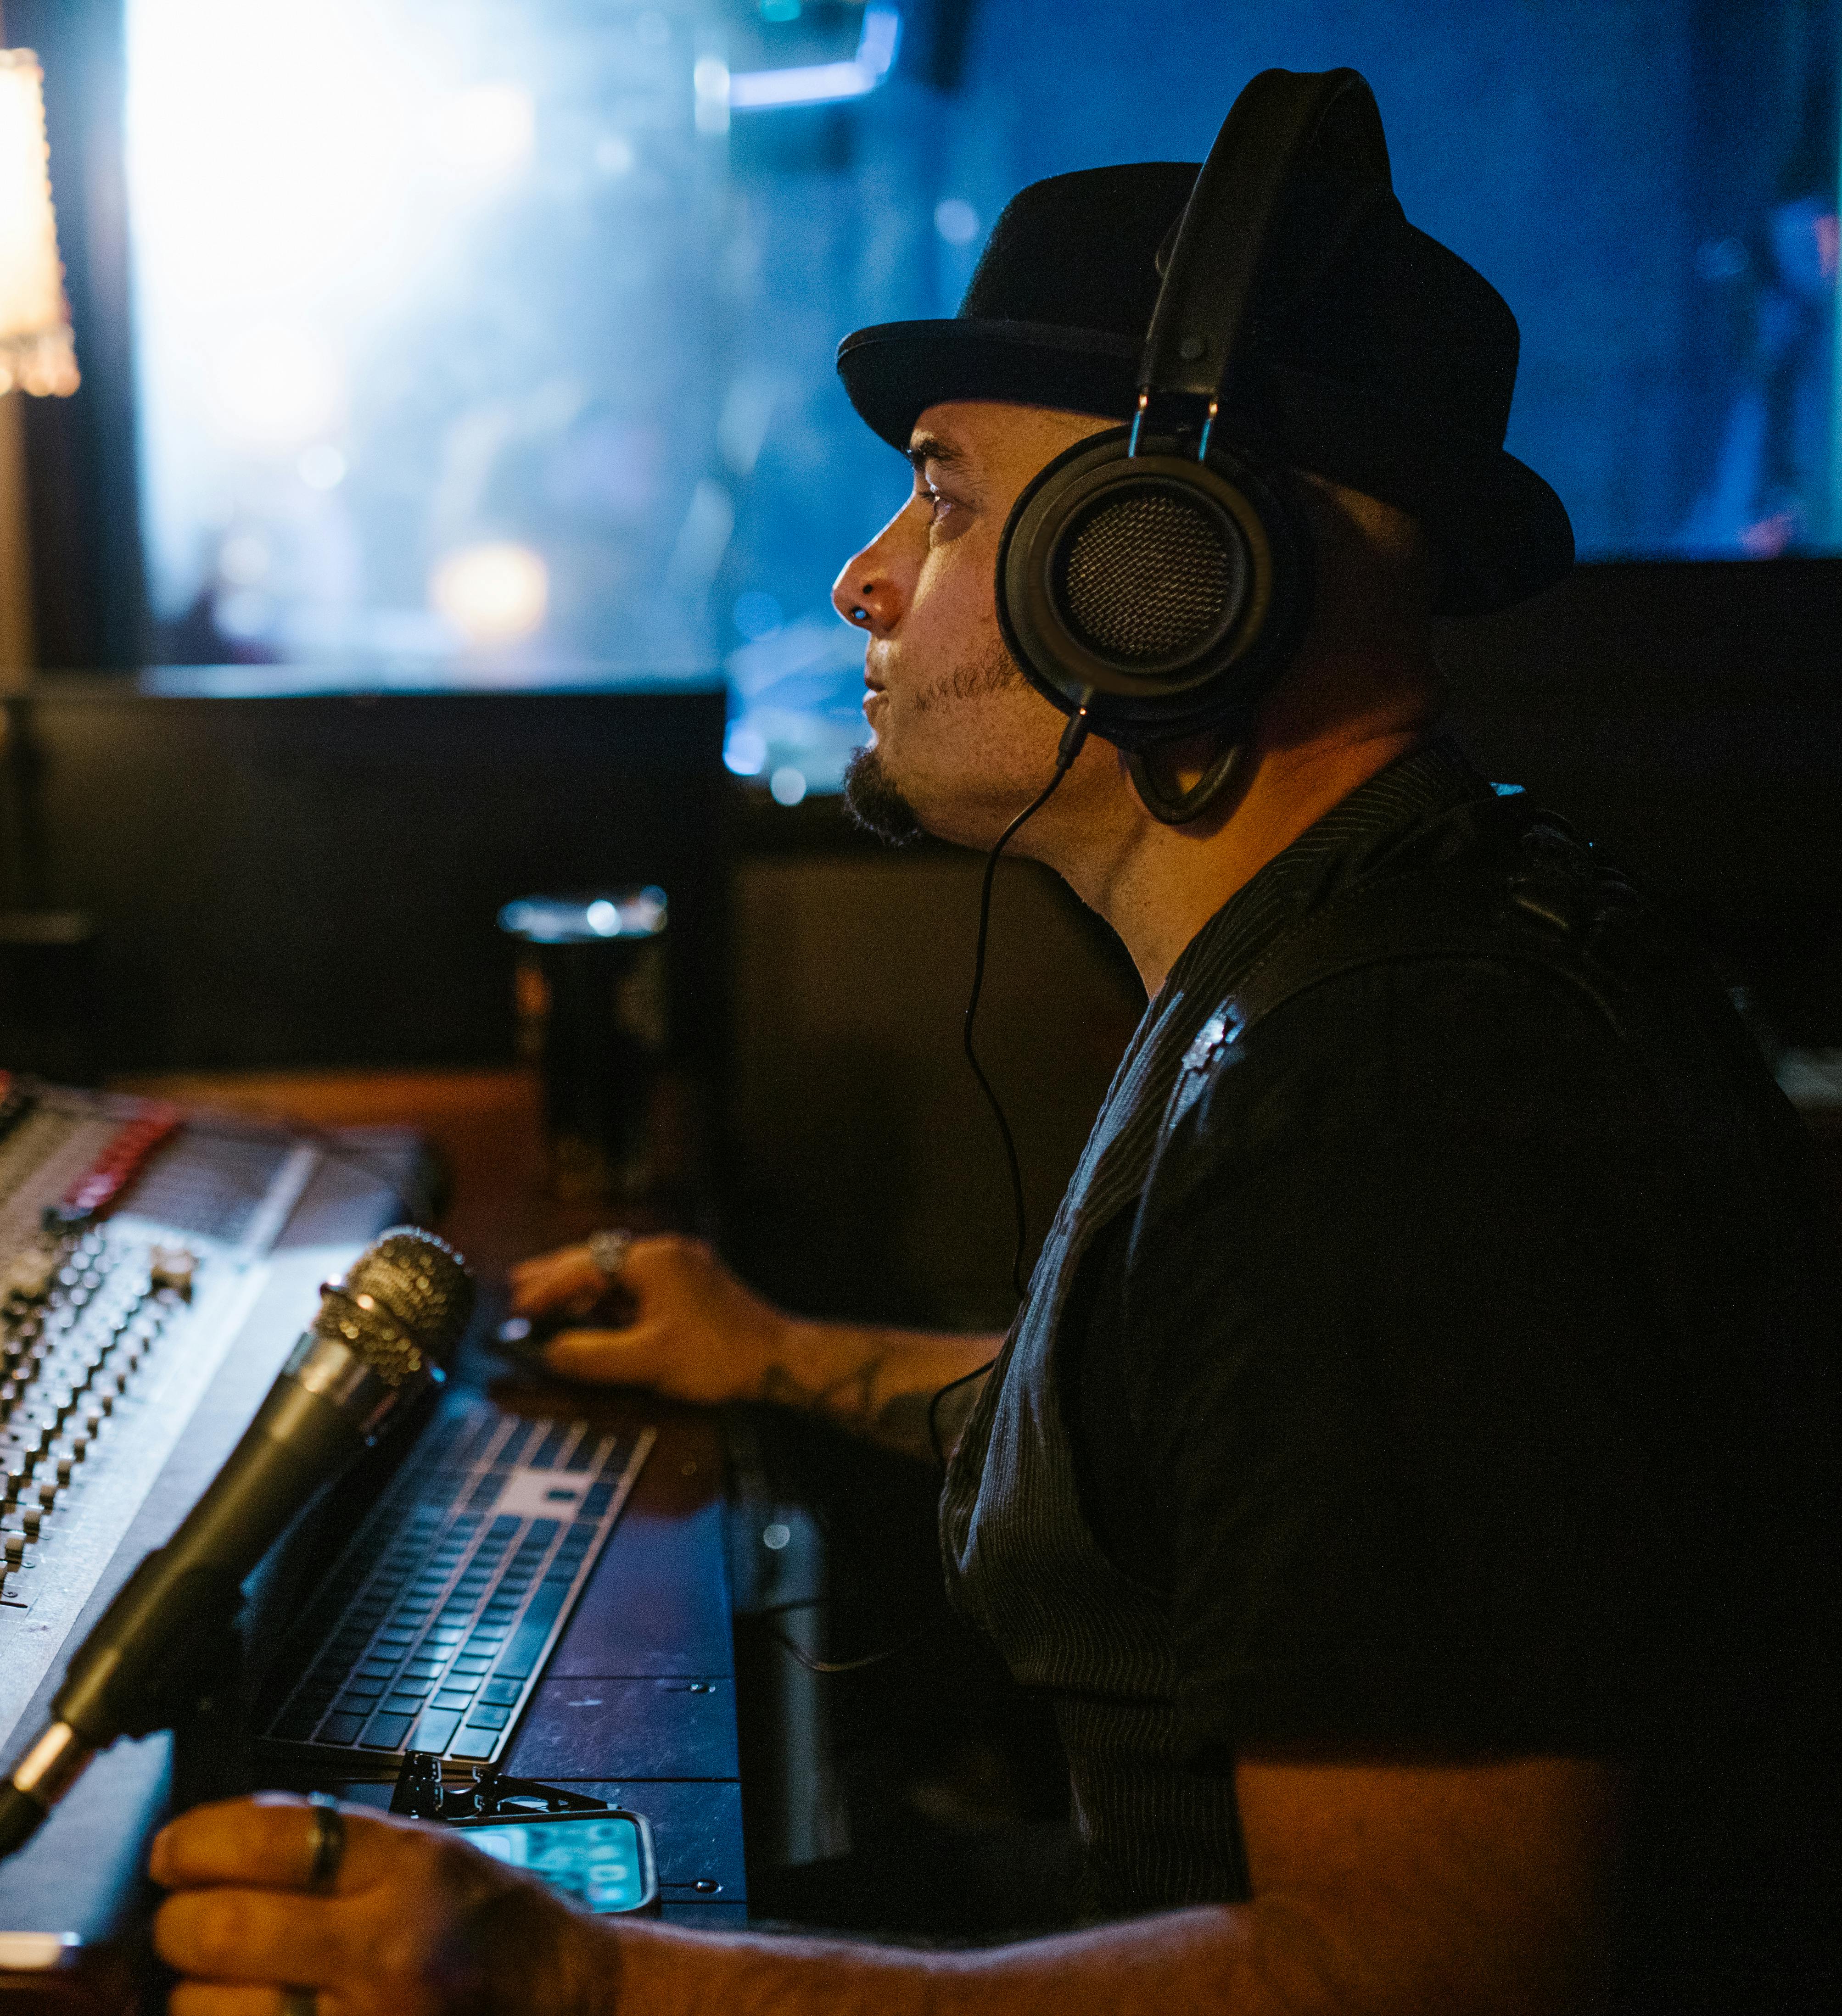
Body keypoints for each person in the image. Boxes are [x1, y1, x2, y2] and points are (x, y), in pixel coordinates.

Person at [143, 84, 1840, 2016]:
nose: (867, 574)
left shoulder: (1383, 1118)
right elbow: (1228, 1465)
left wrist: (579, 1988)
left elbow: (1433, 1975)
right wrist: (784, 1350)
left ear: (1154, 571)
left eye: (943, 494)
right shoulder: (1374, 954)